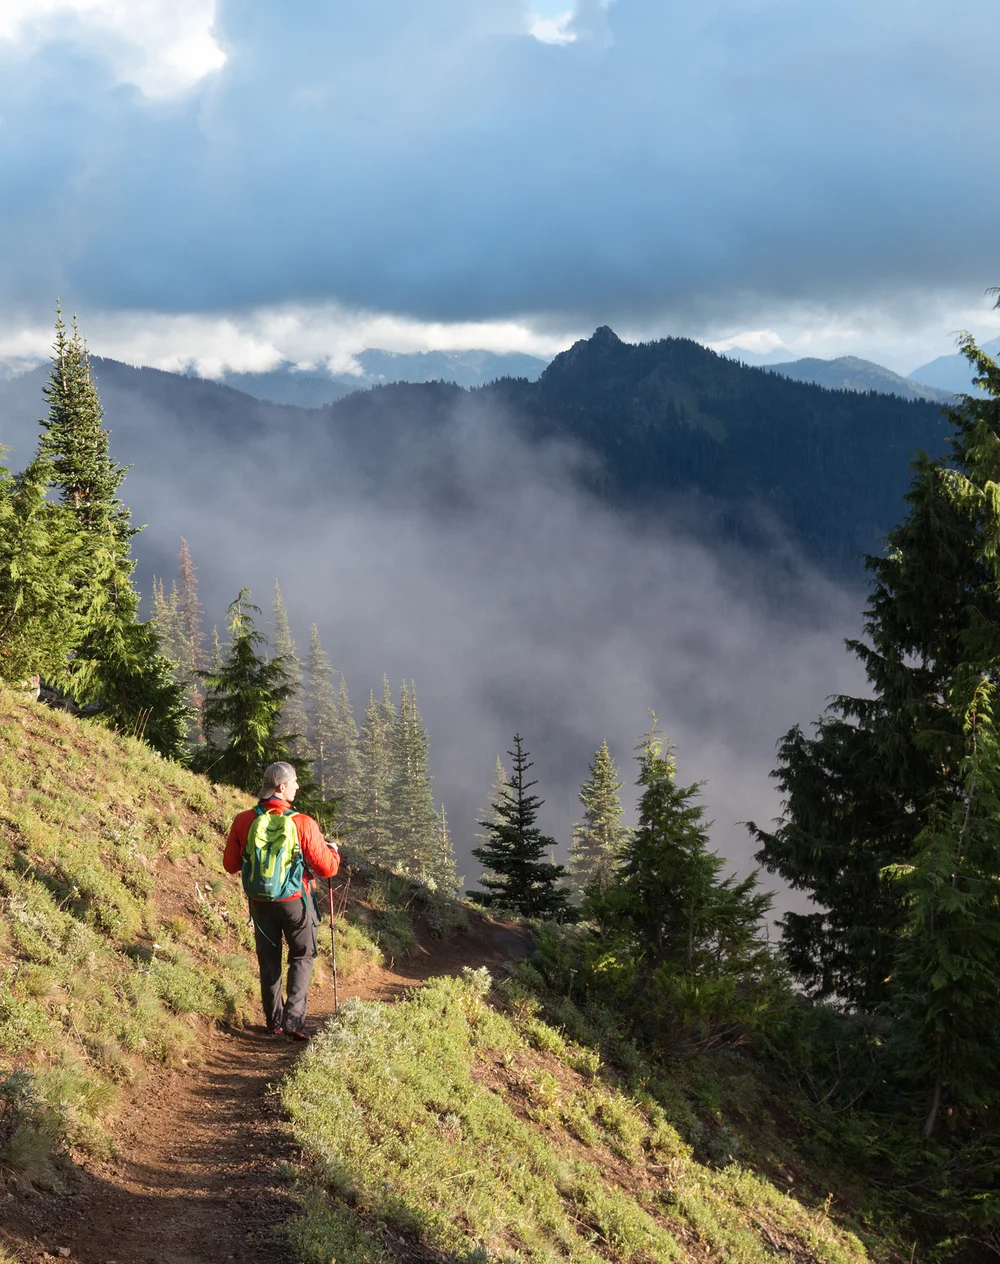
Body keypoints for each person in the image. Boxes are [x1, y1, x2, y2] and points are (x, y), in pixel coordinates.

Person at [224, 761, 340, 1039]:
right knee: (302, 956)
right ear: (281, 787)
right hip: (296, 901)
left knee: (269, 959)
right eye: (294, 782)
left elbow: (230, 865)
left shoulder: (244, 820)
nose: (298, 786)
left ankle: (273, 1022)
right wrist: (333, 852)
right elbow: (327, 869)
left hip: (260, 903)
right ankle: (294, 1021)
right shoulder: (302, 823)